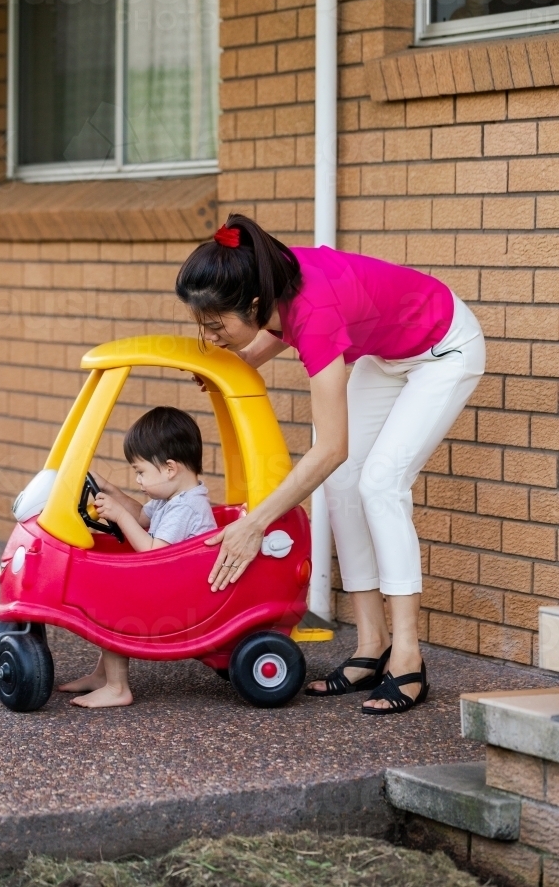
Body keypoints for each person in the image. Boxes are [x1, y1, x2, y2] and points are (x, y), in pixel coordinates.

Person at [175, 215, 485, 716]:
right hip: (387, 352)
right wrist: (240, 361)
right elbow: (283, 325)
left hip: (443, 348)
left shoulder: (311, 309)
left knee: (381, 484)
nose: (210, 336)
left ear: (253, 304)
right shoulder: (269, 276)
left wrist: (255, 523)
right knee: (342, 484)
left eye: (216, 326)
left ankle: (407, 658)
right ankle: (371, 645)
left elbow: (330, 445)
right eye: (202, 325)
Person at [59, 406, 217, 709]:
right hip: (177, 583)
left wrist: (118, 514)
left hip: (185, 598)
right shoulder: (172, 497)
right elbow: (143, 518)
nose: (139, 480)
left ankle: (118, 688)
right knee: (111, 585)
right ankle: (103, 676)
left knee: (113, 600)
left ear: (170, 469)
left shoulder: (185, 508)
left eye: (141, 472)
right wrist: (108, 489)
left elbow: (153, 553)